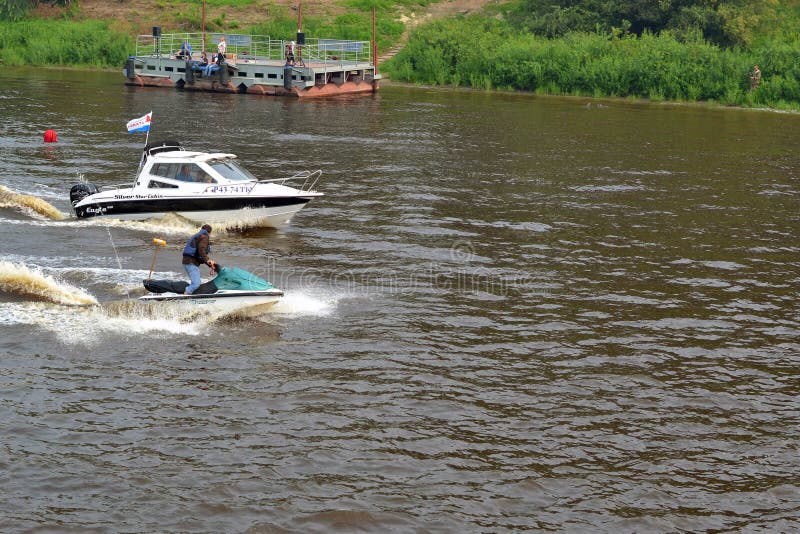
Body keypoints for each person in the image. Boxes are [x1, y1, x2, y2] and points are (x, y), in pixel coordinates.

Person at [182, 224, 217, 295]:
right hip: (190, 262)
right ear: (210, 232)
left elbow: (200, 255)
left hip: (188, 261)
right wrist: (207, 260)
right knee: (196, 284)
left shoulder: (199, 235)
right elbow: (201, 250)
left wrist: (210, 265)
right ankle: (185, 296)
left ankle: (189, 295)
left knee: (195, 283)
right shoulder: (204, 237)